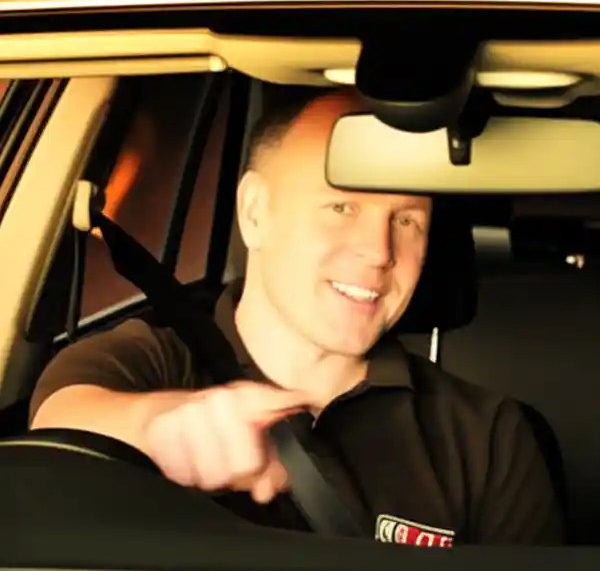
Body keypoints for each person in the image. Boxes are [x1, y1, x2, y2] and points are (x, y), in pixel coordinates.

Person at [29, 85, 565, 547]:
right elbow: (59, 433)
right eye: (341, 208)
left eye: (406, 219)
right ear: (255, 213)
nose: (379, 251)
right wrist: (159, 430)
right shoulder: (142, 362)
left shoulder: (488, 437)